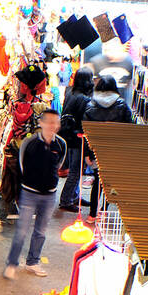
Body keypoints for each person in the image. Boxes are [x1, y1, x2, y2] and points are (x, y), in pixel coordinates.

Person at [3, 108, 66, 279]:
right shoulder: (29, 143)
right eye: (50, 122)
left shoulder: (61, 144)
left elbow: (59, 165)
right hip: (29, 193)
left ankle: (32, 262)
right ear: (41, 123)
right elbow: (22, 166)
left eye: (56, 122)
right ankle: (12, 263)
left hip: (50, 195)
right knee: (22, 230)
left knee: (41, 231)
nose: (53, 126)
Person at [82, 75, 134, 219]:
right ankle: (104, 211)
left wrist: (87, 153)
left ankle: (92, 215)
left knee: (97, 181)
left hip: (97, 150)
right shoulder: (122, 105)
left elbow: (86, 132)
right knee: (112, 182)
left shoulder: (90, 105)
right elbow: (130, 130)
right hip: (116, 151)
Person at [58, 67, 95, 212]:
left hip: (67, 135)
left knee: (76, 168)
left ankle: (74, 196)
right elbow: (84, 119)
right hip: (77, 137)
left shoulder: (69, 91)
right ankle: (66, 200)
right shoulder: (84, 98)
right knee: (75, 170)